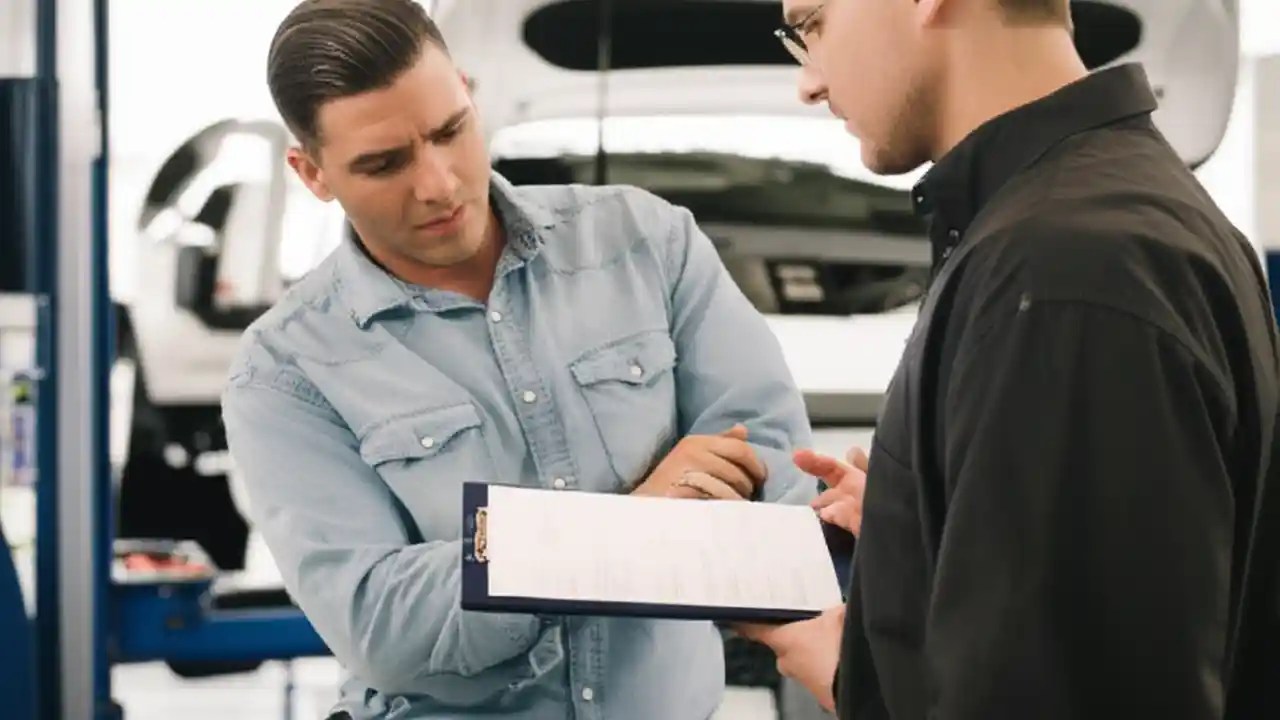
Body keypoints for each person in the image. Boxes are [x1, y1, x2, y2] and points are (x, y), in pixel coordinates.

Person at [219, 1, 819, 718]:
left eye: (450, 131)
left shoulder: (645, 244)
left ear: (468, 91)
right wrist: (641, 524)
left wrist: (525, 557)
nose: (437, 183)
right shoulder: (286, 373)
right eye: (384, 164)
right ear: (312, 173)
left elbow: (776, 478)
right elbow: (382, 622)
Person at [742, 0, 1280, 717]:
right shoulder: (1104, 222)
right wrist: (932, 534)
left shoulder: (1066, 272)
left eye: (813, 24)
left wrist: (859, 675)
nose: (807, 82)